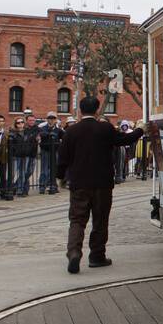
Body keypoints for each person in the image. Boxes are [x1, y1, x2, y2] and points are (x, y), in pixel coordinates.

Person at [57, 97, 145, 274]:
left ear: (81, 111)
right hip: (102, 183)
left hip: (79, 183)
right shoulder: (104, 128)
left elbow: (63, 158)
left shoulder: (71, 132)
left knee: (77, 220)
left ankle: (74, 251)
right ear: (97, 110)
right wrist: (140, 131)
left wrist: (60, 177)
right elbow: (123, 140)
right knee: (100, 220)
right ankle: (97, 256)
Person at [39, 112, 65, 194]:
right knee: (44, 170)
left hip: (55, 152)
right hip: (45, 151)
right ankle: (42, 186)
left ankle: (52, 185)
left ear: (56, 120)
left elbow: (65, 137)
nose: (51, 120)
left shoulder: (58, 130)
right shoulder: (43, 128)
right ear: (47, 119)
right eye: (50, 118)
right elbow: (42, 134)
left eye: (53, 118)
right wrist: (49, 134)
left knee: (54, 169)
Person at [8, 118, 33, 197]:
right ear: (15, 124)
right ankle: (9, 189)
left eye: (22, 122)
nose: (20, 124)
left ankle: (20, 190)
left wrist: (28, 151)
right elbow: (11, 145)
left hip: (25, 155)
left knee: (23, 173)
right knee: (12, 173)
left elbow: (30, 143)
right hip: (16, 156)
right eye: (18, 123)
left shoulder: (27, 132)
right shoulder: (13, 133)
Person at [0, 115, 14, 201]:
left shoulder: (7, 133)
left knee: (3, 176)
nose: (1, 123)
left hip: (3, 157)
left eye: (2, 121)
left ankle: (3, 193)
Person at [22, 112, 40, 192]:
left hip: (33, 153)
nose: (32, 122)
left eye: (33, 120)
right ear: (26, 121)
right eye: (30, 120)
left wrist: (40, 135)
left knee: (30, 171)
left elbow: (43, 133)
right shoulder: (24, 129)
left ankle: (16, 185)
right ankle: (24, 188)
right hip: (25, 154)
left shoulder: (37, 128)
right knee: (25, 171)